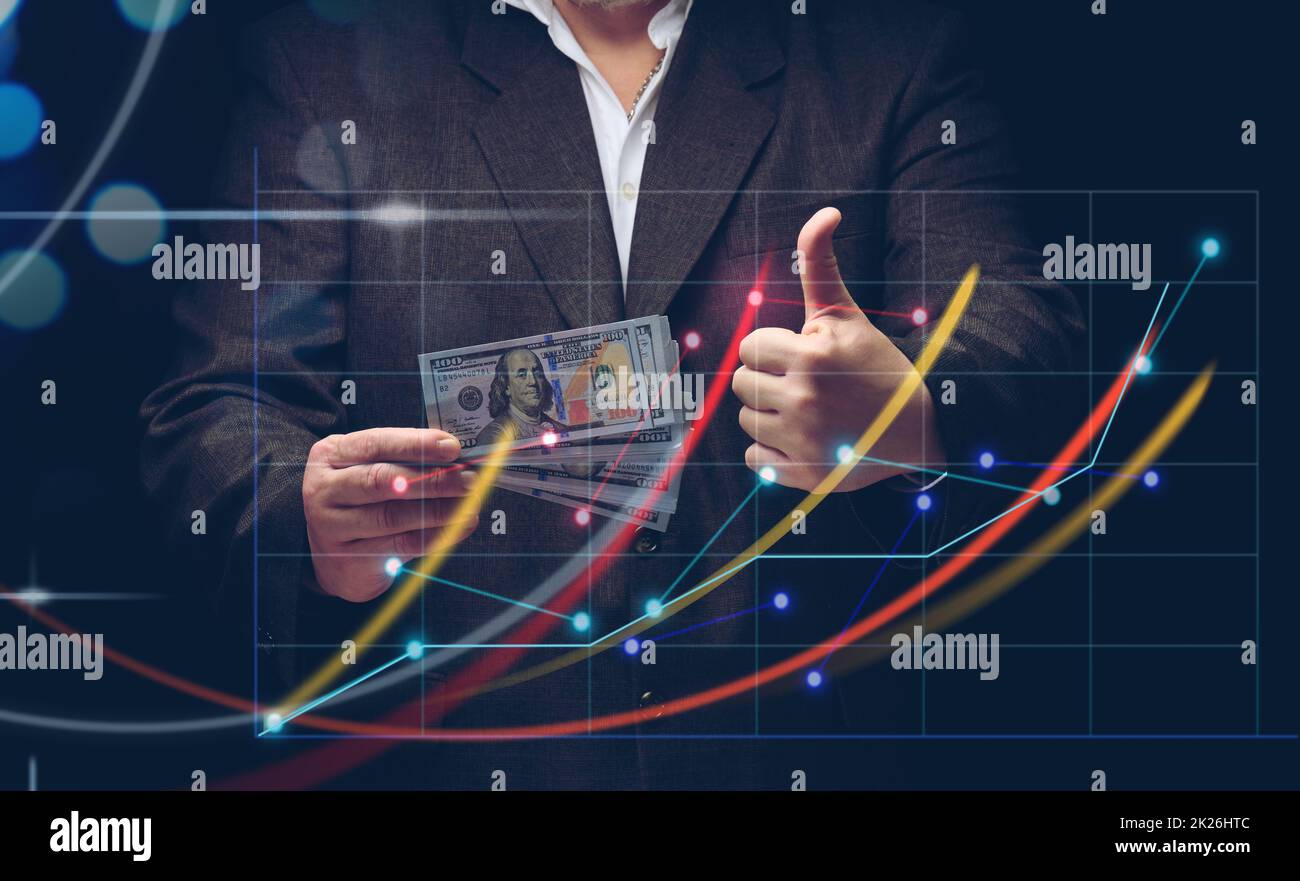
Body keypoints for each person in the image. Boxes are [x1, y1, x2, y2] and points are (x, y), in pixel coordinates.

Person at [141, 0, 1082, 789]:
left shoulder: (890, 48)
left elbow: (1022, 325)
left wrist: (914, 404)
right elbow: (217, 405)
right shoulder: (326, 60)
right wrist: (300, 517)